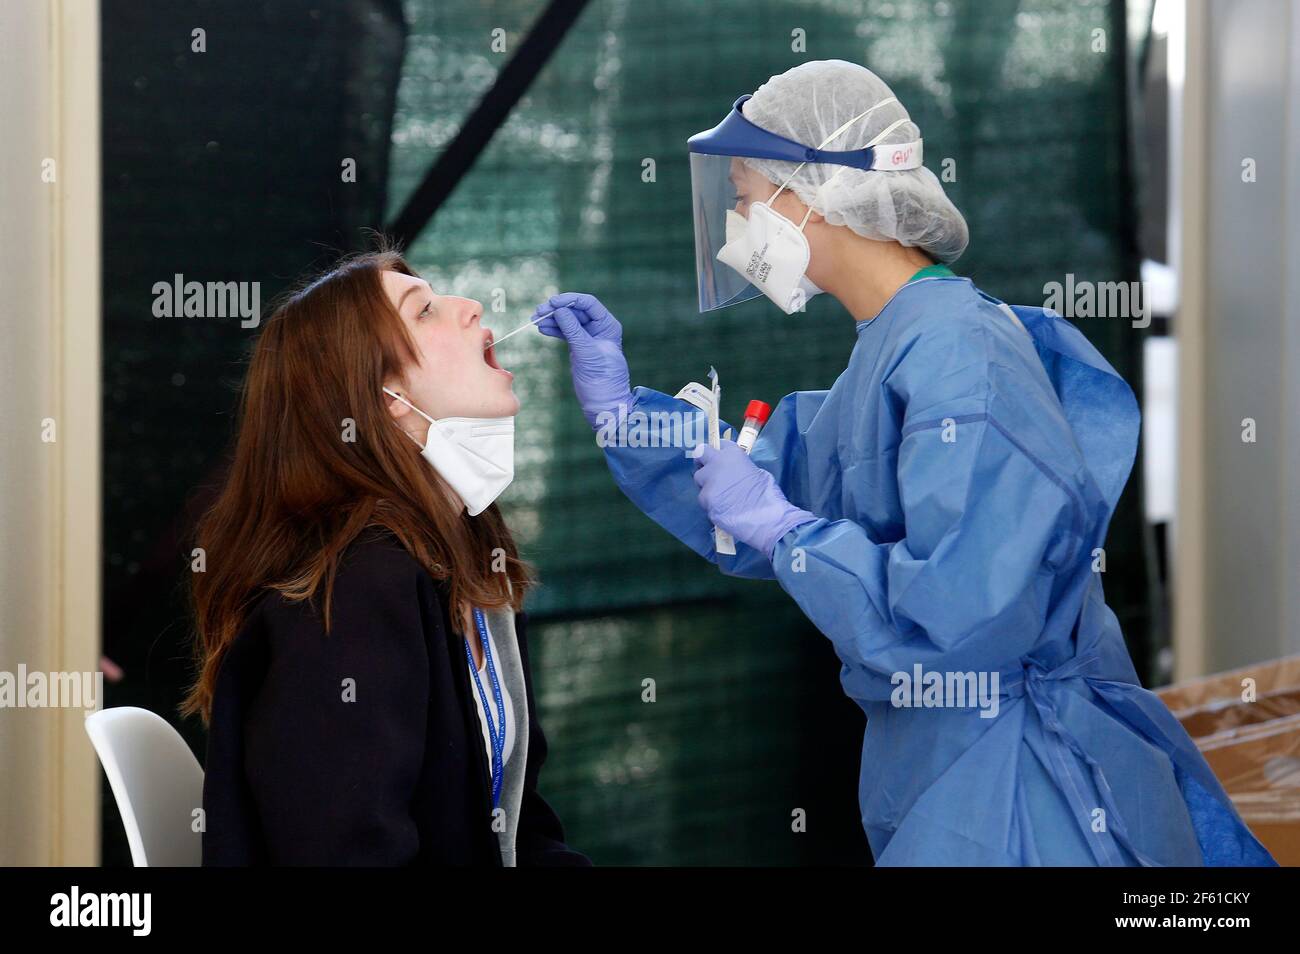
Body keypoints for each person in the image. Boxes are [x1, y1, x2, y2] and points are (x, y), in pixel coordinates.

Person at [535, 60, 1276, 866]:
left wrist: (788, 532)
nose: (734, 229)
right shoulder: (895, 354)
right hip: (947, 767)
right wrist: (626, 418)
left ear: (813, 192)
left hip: (1024, 790)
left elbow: (966, 611)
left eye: (744, 198)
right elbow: (772, 472)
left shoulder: (961, 360)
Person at [188, 246, 589, 867]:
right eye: (424, 310)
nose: (470, 306)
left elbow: (520, 834)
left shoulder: (475, 566)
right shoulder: (354, 590)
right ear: (386, 397)